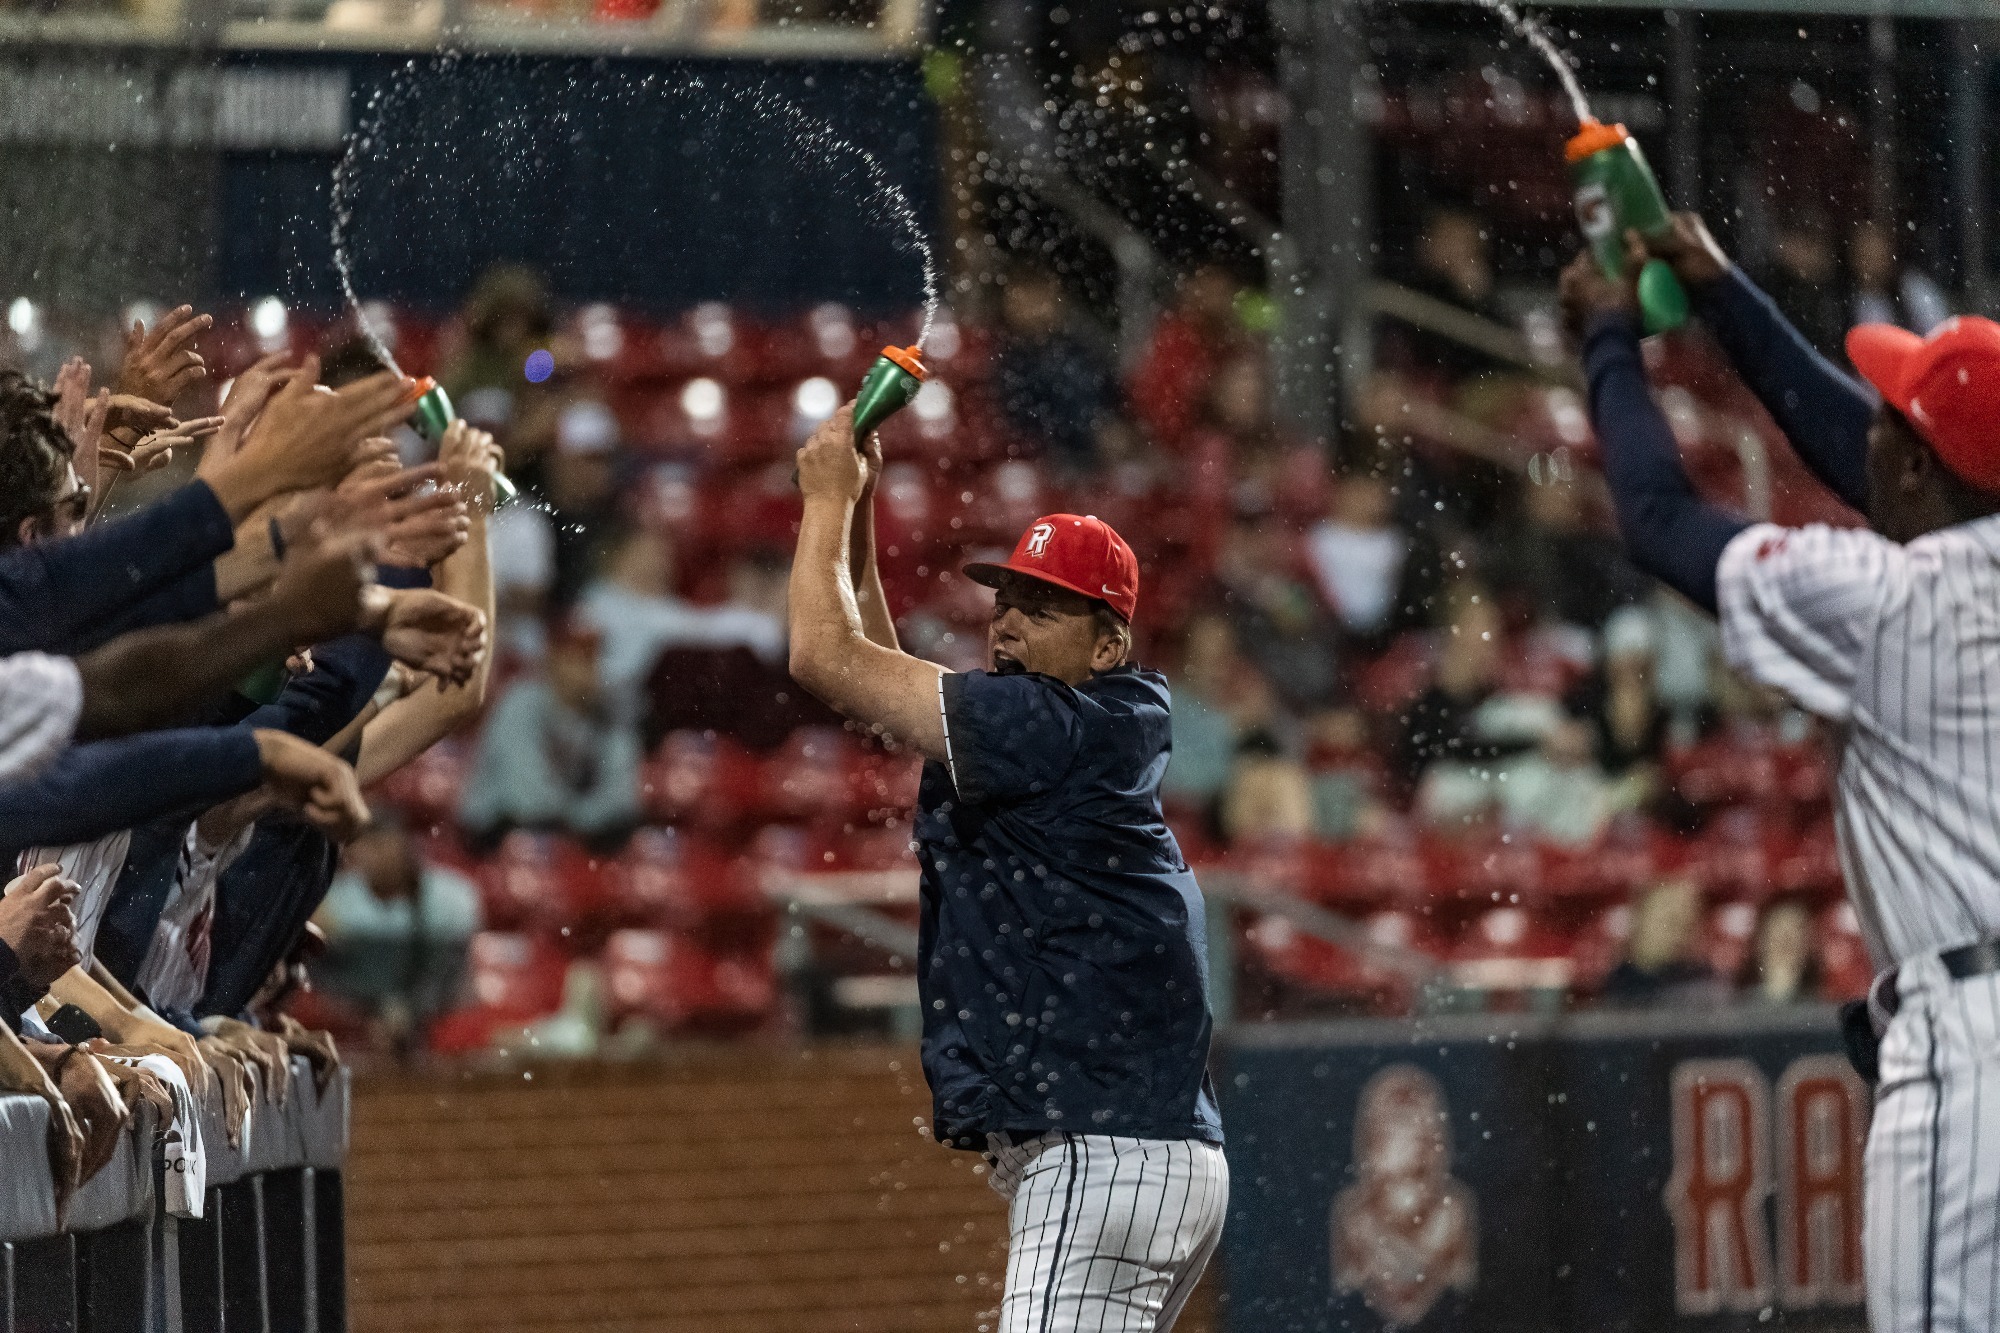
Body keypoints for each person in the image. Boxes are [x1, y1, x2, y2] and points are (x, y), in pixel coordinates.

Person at [1563, 207, 2000, 1333]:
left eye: (1891, 420)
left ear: (1915, 463)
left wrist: (1608, 339)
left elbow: (1658, 520)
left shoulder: (1890, 601)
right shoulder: (1946, 554)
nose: (1868, 430)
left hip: (1974, 1044)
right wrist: (1723, 294)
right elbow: (1876, 455)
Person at [788, 407, 1227, 1332]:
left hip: (1103, 1147)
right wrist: (860, 510)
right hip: (1147, 1145)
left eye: (1045, 607)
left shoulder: (1049, 724)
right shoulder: (1073, 726)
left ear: (1107, 644)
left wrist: (823, 498)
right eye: (1006, 602)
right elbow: (879, 673)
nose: (1011, 623)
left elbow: (823, 657)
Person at [458, 617, 641, 848]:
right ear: (553, 659)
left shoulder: (608, 712)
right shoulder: (519, 703)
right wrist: (586, 817)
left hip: (569, 833)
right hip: (496, 837)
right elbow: (525, 798)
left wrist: (587, 819)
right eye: (579, 657)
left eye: (594, 656)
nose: (591, 667)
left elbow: (622, 799)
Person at [1598, 881, 1726, 1009]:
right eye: (1667, 922)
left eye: (1685, 923)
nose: (1678, 933)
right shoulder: (1619, 982)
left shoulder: (1706, 984)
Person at [1848, 219, 1950, 338]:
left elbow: (1939, 332)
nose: (1872, 263)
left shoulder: (1913, 288)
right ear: (1854, 260)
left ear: (1889, 253)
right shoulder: (1849, 302)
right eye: (1864, 256)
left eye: (1877, 254)